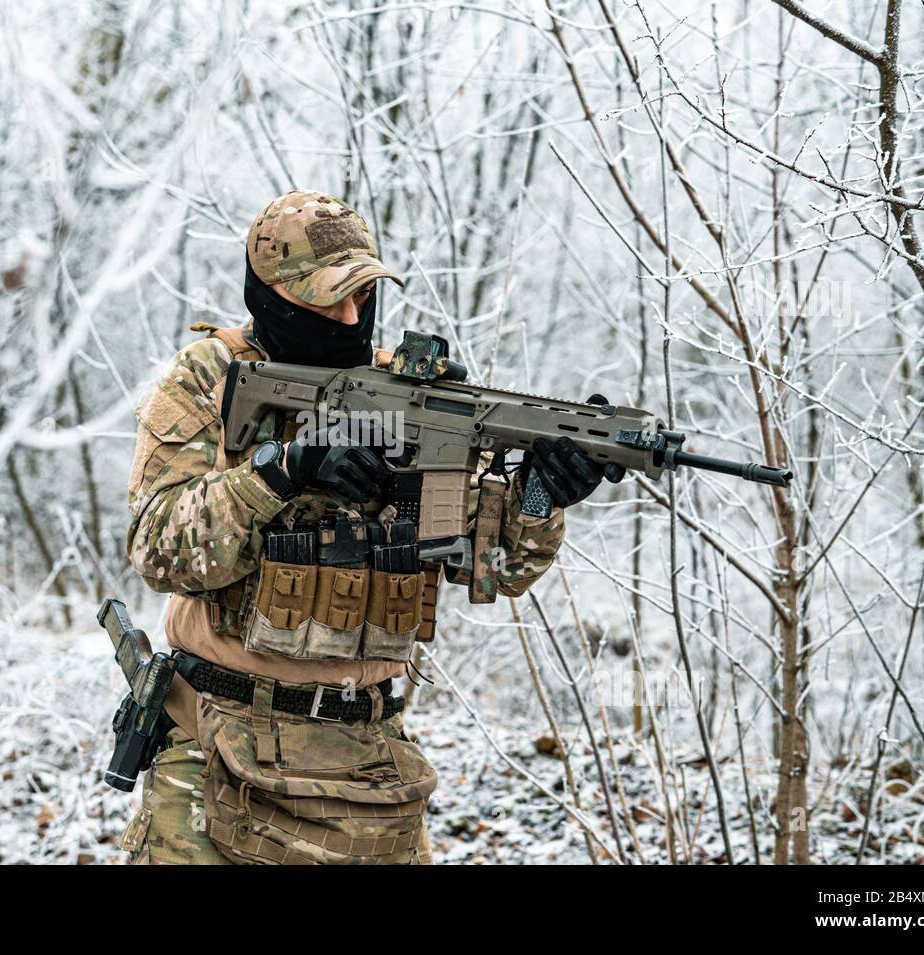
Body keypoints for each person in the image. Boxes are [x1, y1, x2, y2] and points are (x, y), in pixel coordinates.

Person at [121, 190, 607, 864]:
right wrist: (287, 469)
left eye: (362, 295)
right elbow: (159, 547)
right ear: (271, 299)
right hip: (218, 745)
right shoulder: (210, 380)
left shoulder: (411, 399)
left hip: (368, 766)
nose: (351, 318)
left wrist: (539, 497)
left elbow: (490, 567)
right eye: (327, 302)